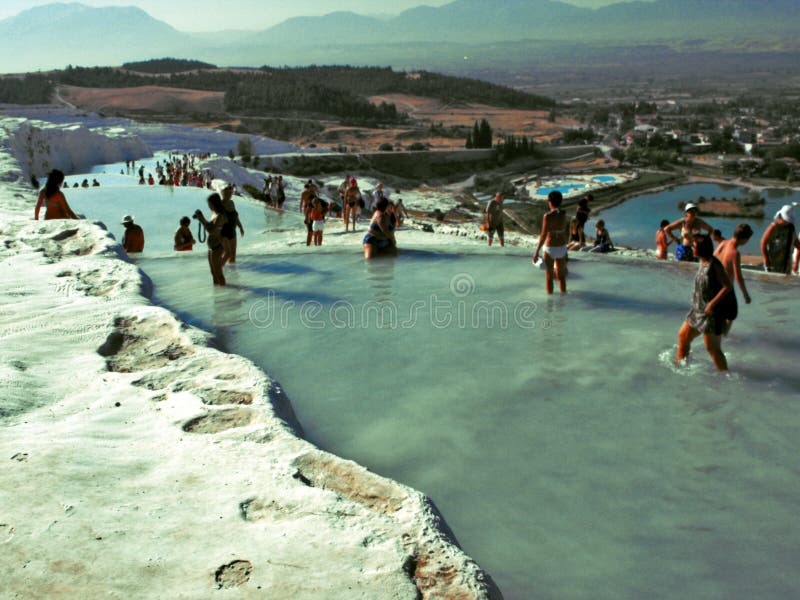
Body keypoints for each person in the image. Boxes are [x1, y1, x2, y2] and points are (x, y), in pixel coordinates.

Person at [675, 234, 733, 371]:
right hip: (697, 311)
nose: (691, 247)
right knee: (683, 336)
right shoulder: (703, 262)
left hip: (711, 314)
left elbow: (727, 286)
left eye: (694, 246)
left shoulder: (714, 265)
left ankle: (725, 377)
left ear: (701, 248)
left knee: (712, 349)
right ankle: (679, 366)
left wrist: (712, 304)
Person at [714, 223, 753, 334]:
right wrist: (746, 295)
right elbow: (739, 277)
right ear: (744, 239)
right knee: (731, 315)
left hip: (715, 286)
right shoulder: (735, 253)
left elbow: (712, 260)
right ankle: (724, 337)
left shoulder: (723, 243)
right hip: (727, 290)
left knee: (719, 315)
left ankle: (719, 335)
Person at [532, 190, 569, 294]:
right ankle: (563, 298)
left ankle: (550, 302)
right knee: (561, 276)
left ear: (550, 202)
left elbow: (543, 235)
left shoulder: (547, 216)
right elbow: (564, 232)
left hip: (550, 248)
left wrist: (536, 252)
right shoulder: (563, 214)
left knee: (549, 276)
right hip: (561, 247)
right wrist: (566, 251)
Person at [194, 193, 228, 286]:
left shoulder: (220, 216)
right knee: (213, 273)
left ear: (214, 204)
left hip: (217, 247)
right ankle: (217, 296)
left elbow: (212, 230)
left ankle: (226, 297)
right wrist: (201, 219)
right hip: (212, 247)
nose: (209, 206)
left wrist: (201, 219)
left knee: (218, 273)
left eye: (209, 204)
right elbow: (210, 227)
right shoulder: (215, 214)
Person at [760, 204, 800, 274]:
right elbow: (763, 243)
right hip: (773, 263)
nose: (787, 222)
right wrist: (766, 259)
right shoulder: (773, 227)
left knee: (785, 283)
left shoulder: (791, 228)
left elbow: (796, 242)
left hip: (786, 263)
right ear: (781, 217)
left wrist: (796, 262)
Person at [220, 185, 244, 264]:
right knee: (225, 253)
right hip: (223, 232)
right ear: (223, 193)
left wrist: (240, 227)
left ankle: (231, 273)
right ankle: (219, 269)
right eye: (228, 192)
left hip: (232, 232)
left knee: (233, 256)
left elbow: (235, 216)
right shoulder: (220, 204)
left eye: (231, 192)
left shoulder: (231, 202)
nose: (230, 193)